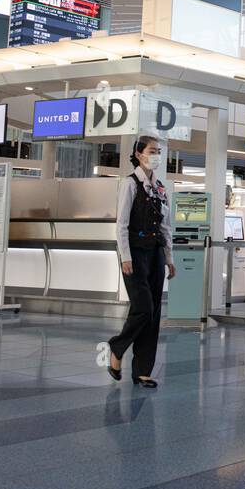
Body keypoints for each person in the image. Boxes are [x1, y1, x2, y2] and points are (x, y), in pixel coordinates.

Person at [106, 135, 175, 388]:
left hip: (155, 253)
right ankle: (117, 346)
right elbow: (121, 224)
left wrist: (169, 258)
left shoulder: (160, 187)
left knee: (154, 312)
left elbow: (166, 226)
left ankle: (143, 371)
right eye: (152, 150)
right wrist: (125, 256)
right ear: (138, 153)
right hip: (135, 253)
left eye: (158, 151)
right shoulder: (130, 183)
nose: (156, 154)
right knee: (143, 307)